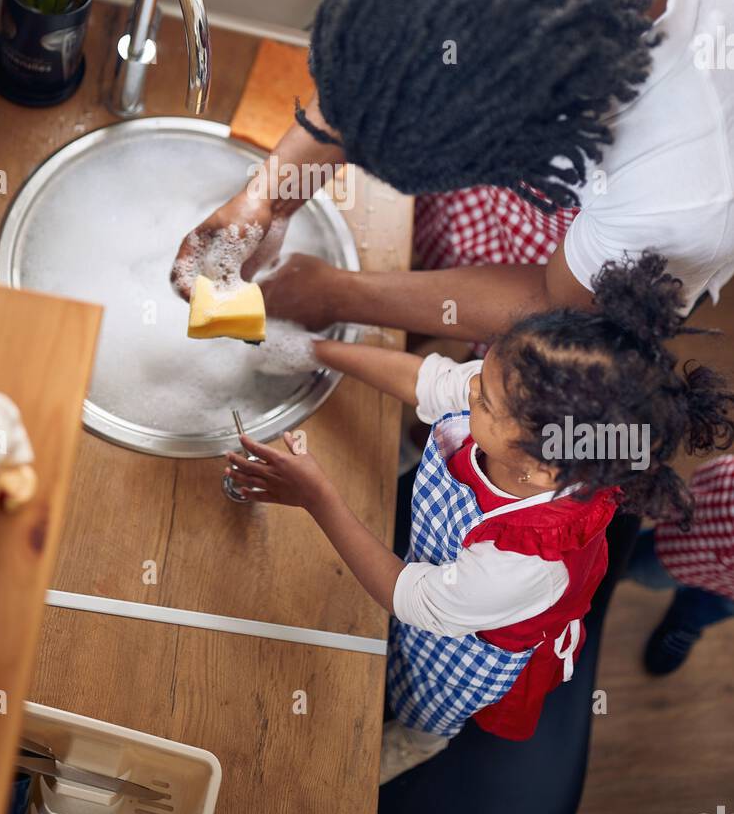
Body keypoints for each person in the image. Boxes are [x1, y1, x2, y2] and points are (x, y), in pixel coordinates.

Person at [172, 0, 734, 344]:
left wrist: (338, 294)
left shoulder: (683, 193)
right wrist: (270, 197)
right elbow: (394, 68)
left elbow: (553, 298)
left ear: (524, 157)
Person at [224, 254, 734, 782]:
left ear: (540, 470)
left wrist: (318, 498)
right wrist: (308, 351)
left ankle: (422, 742)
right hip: (446, 578)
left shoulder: (526, 561)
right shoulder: (525, 406)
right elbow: (429, 382)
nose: (469, 390)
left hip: (466, 649)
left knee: (426, 705)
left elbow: (413, 598)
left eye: (484, 402)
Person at [627, 454, 734, 675]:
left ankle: (685, 621)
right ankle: (597, 580)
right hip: (694, 542)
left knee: (714, 605)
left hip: (724, 584)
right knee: (635, 564)